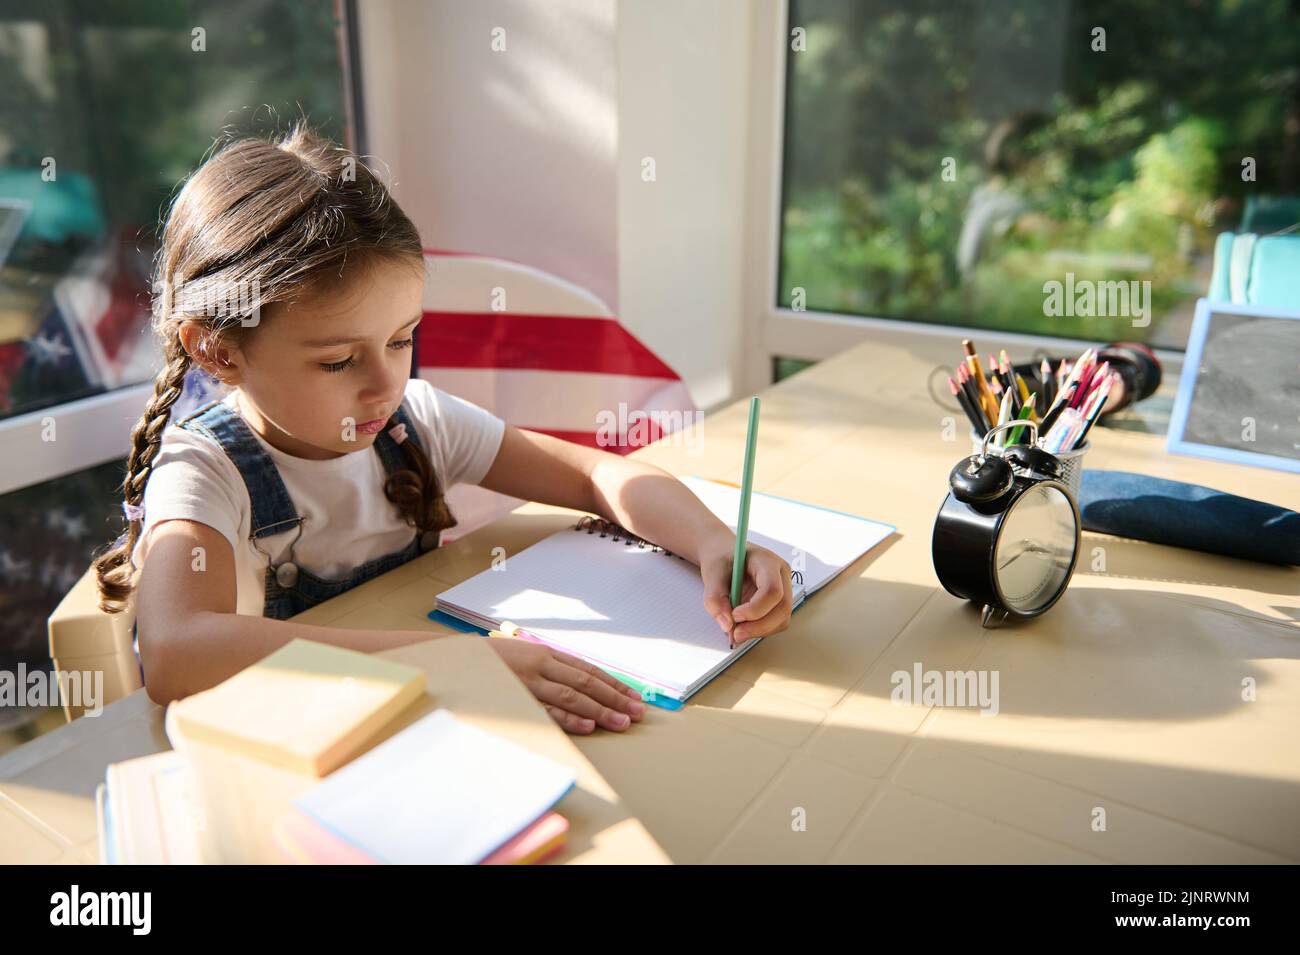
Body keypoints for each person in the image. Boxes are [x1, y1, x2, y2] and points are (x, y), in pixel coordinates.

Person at [92, 125, 793, 734]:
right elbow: (179, 652)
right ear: (217, 349)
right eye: (338, 359)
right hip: (305, 745)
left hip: (428, 721)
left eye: (402, 340)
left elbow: (597, 474)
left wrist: (711, 540)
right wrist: (457, 662)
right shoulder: (202, 470)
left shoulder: (414, 421)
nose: (383, 384)